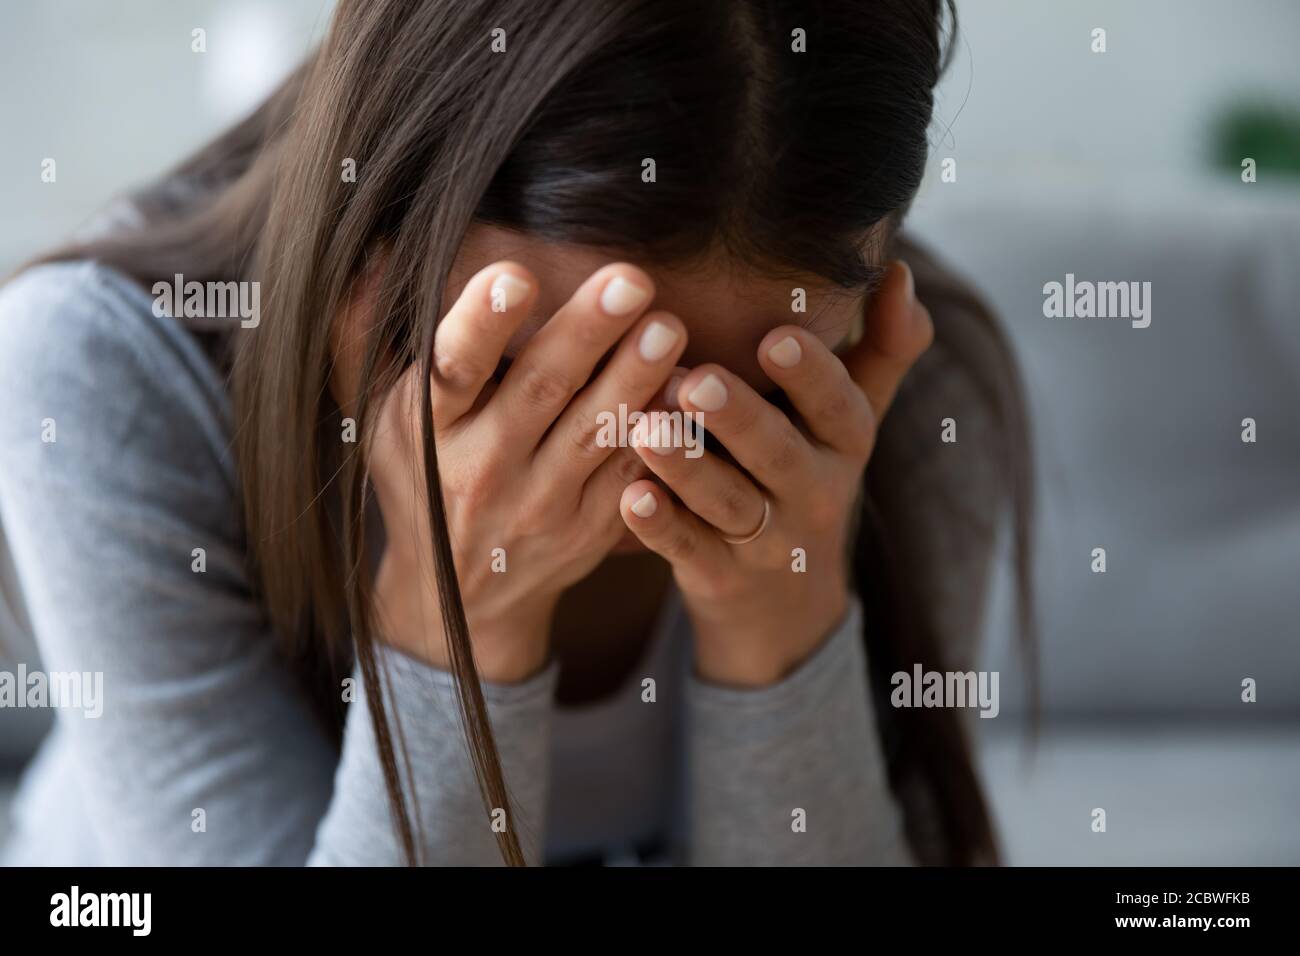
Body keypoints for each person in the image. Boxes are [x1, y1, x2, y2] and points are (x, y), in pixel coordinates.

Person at [0, 0, 1033, 866]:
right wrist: (453, 617)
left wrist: (780, 608)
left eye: (753, 403)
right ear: (375, 235)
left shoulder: (911, 382)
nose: (644, 458)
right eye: (556, 376)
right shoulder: (101, 366)